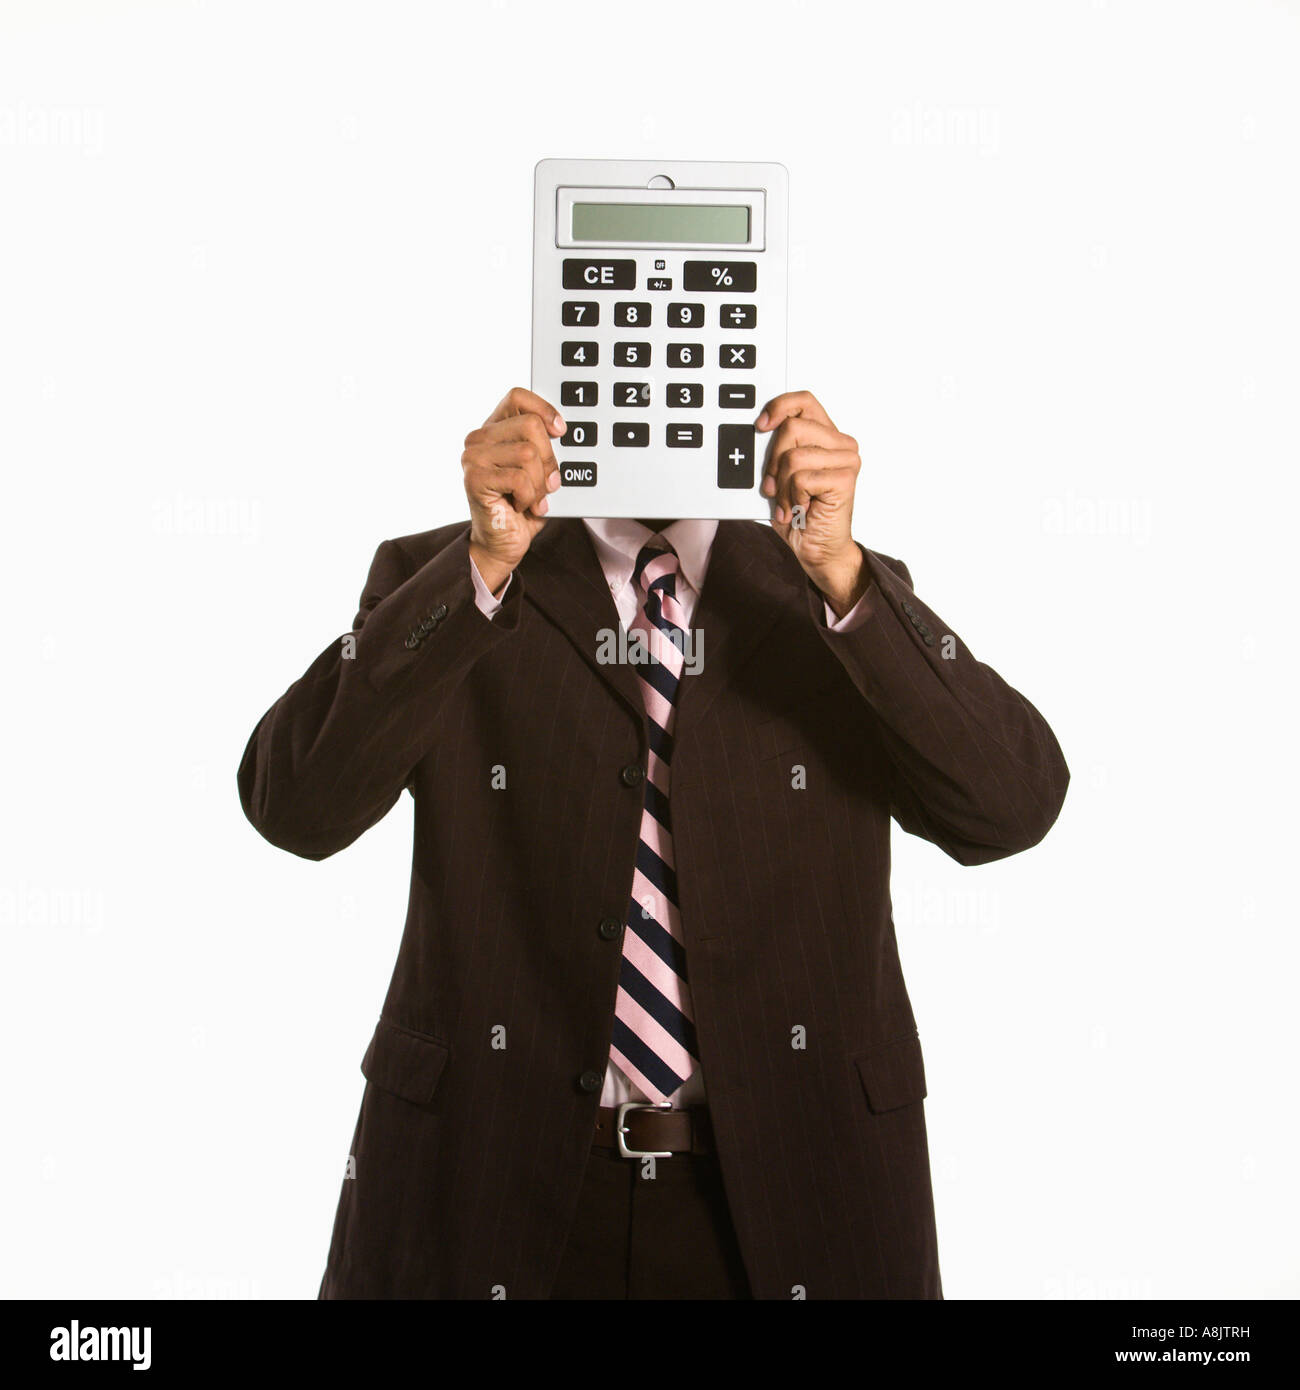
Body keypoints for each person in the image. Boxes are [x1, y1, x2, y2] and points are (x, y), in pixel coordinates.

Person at [237, 386, 1069, 1299]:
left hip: (794, 1210)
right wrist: (479, 566)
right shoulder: (448, 578)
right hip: (483, 1197)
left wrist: (845, 576)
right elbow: (295, 806)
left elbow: (1012, 805)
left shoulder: (835, 592)